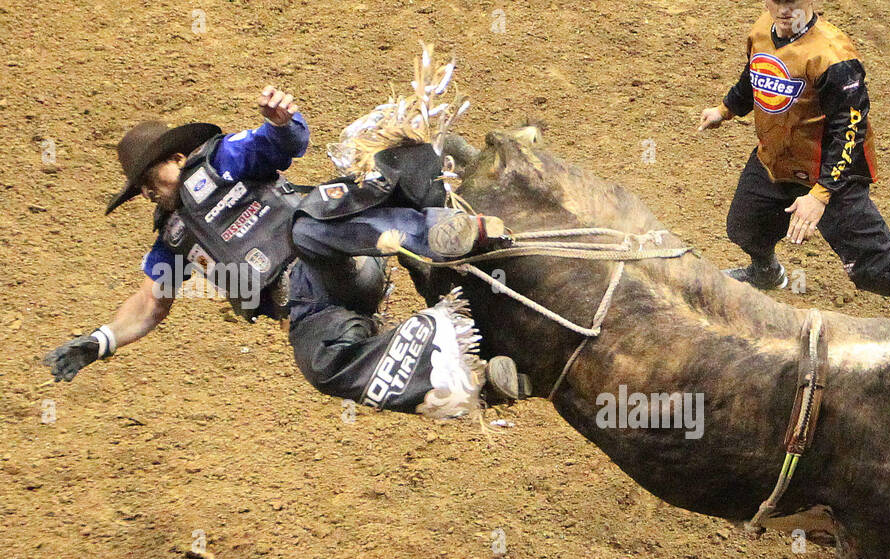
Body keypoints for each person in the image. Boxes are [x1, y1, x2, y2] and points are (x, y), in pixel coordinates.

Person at [42, 86, 527, 410]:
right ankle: (475, 379)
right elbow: (151, 302)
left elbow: (283, 144)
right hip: (308, 303)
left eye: (150, 178)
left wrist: (282, 122)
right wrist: (97, 341)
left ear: (176, 158)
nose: (147, 192)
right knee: (319, 363)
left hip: (337, 247)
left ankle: (446, 230)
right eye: (140, 189)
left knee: (305, 228)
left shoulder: (223, 160)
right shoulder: (172, 242)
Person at [698, 0, 890, 316]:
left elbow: (850, 129)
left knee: (873, 269)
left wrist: (820, 194)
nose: (785, 10)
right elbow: (753, 77)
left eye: (793, 2)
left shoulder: (833, 56)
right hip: (775, 162)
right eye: (778, 1)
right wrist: (725, 110)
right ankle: (765, 271)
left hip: (830, 171)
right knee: (744, 228)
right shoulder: (762, 31)